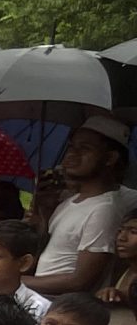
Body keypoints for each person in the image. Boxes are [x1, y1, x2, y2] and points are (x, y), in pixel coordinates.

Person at [27, 118, 132, 296]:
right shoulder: (70, 201)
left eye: (84, 148)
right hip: (38, 298)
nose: (72, 154)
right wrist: (44, 212)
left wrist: (14, 280)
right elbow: (49, 251)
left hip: (60, 306)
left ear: (110, 158)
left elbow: (79, 281)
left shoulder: (104, 209)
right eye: (71, 147)